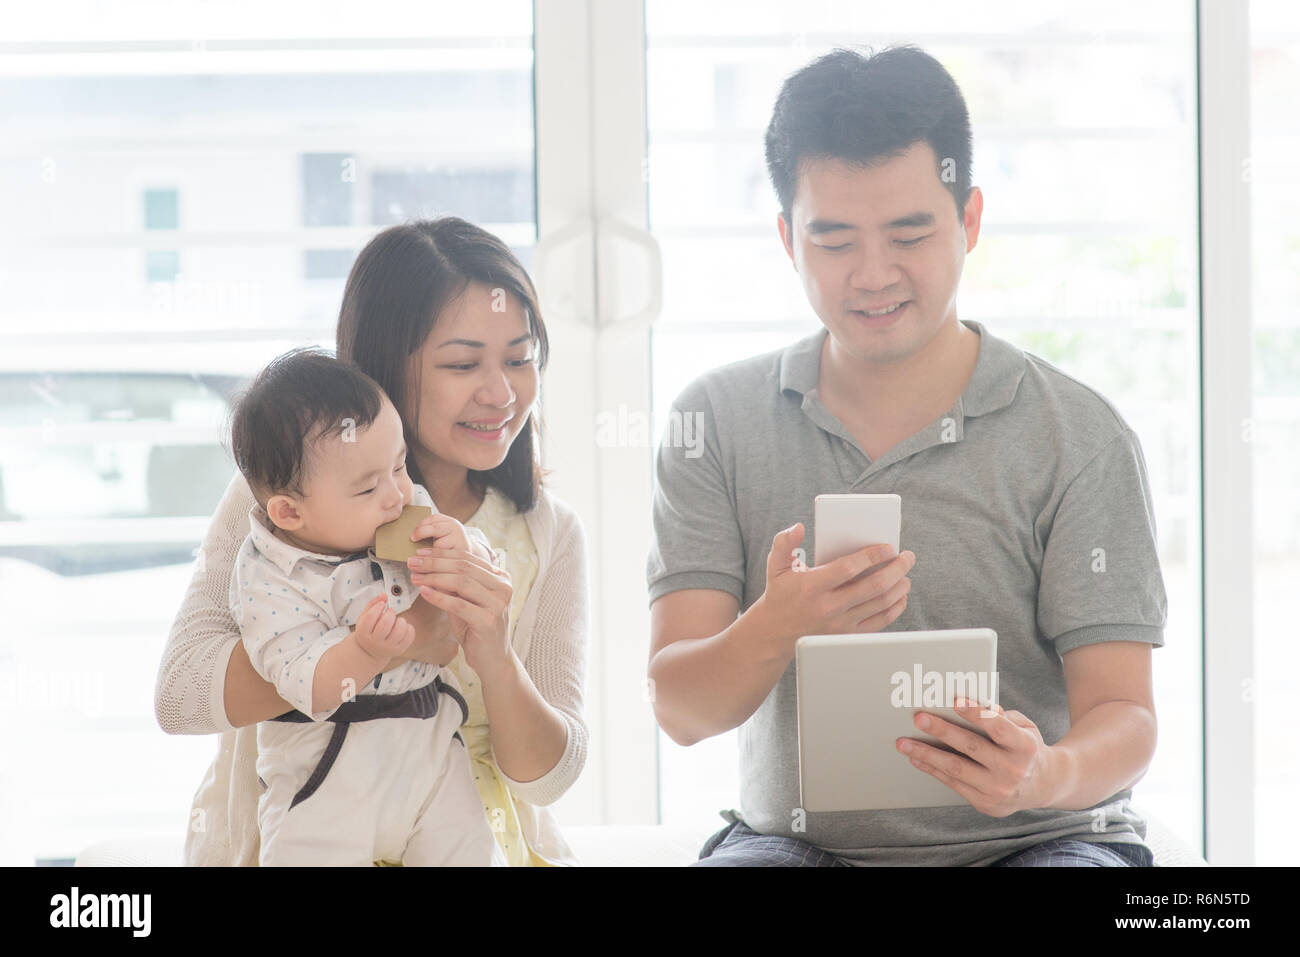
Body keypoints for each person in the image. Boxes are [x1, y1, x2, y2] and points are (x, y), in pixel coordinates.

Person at [646, 45, 1167, 867]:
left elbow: (1126, 716)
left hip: (1040, 840)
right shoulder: (714, 420)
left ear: (970, 221)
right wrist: (777, 626)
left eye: (909, 233)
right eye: (835, 240)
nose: (873, 274)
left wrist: (1046, 772)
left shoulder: (1078, 434)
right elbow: (680, 708)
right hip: (794, 844)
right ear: (788, 238)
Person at [156, 217, 589, 867]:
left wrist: (492, 651)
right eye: (463, 363)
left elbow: (550, 777)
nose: (501, 392)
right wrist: (377, 648)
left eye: (520, 359)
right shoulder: (280, 505)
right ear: (387, 366)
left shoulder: (543, 530)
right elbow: (181, 694)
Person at [227, 348, 503, 866]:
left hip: (427, 741)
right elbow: (298, 678)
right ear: (290, 511)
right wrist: (363, 652)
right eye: (369, 486)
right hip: (326, 763)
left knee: (467, 848)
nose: (397, 494)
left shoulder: (407, 506)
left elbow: (477, 567)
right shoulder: (268, 574)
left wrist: (465, 549)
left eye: (399, 464)